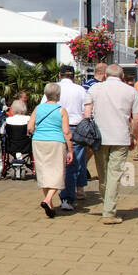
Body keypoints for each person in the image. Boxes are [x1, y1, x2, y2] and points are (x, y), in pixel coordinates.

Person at [84, 64, 138, 224]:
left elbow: (86, 113)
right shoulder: (130, 91)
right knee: (114, 174)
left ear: (105, 75)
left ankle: (107, 205)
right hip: (120, 137)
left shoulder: (95, 89)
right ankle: (109, 212)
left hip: (99, 136)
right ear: (122, 76)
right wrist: (134, 136)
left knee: (103, 174)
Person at [28, 82, 72, 218]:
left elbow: (29, 127)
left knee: (43, 171)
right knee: (58, 172)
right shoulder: (61, 110)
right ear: (58, 95)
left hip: (39, 141)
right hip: (56, 141)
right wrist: (70, 149)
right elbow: (66, 131)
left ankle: (50, 205)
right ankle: (47, 199)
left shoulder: (38, 108)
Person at [56, 65, 88, 210]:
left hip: (56, 128)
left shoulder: (53, 88)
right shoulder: (81, 90)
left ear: (59, 75)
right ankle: (72, 193)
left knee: (59, 163)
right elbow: (86, 112)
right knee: (74, 162)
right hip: (75, 127)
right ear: (73, 76)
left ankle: (61, 194)